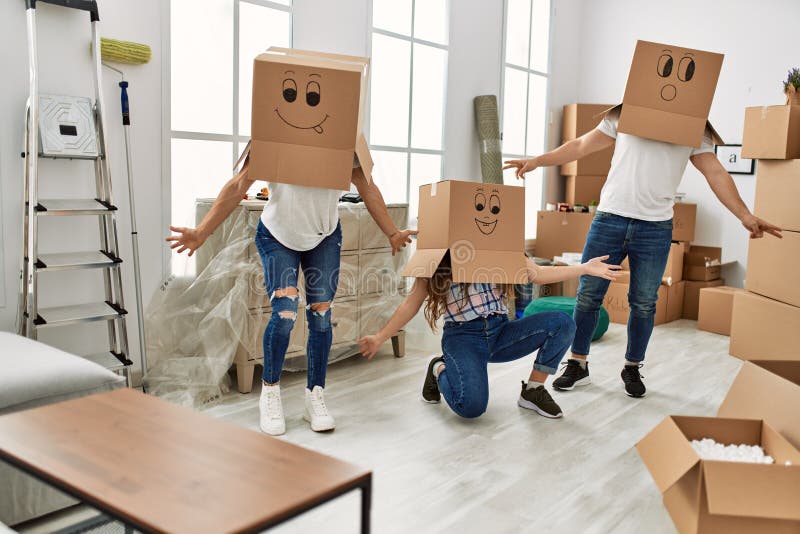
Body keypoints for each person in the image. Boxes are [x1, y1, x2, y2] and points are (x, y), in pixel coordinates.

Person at [503, 107, 782, 398]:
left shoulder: (694, 126)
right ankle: (578, 364)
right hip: (609, 218)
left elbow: (715, 172)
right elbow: (581, 145)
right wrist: (537, 161)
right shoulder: (627, 113)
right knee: (588, 294)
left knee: (645, 302)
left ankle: (632, 366)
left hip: (655, 227)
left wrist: (744, 215)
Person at [167, 156, 416, 435]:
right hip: (277, 235)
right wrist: (202, 232)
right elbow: (239, 184)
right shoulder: (279, 133)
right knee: (284, 313)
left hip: (323, 236)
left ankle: (315, 396)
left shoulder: (344, 143)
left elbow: (367, 187)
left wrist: (392, 232)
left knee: (321, 316)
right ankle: (270, 393)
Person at [357, 253, 620, 419]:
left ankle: (533, 390)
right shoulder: (437, 257)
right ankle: (438, 368)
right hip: (463, 338)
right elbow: (411, 304)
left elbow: (537, 274)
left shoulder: (498, 244)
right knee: (471, 407)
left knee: (562, 323)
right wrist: (380, 337)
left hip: (500, 332)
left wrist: (584, 268)